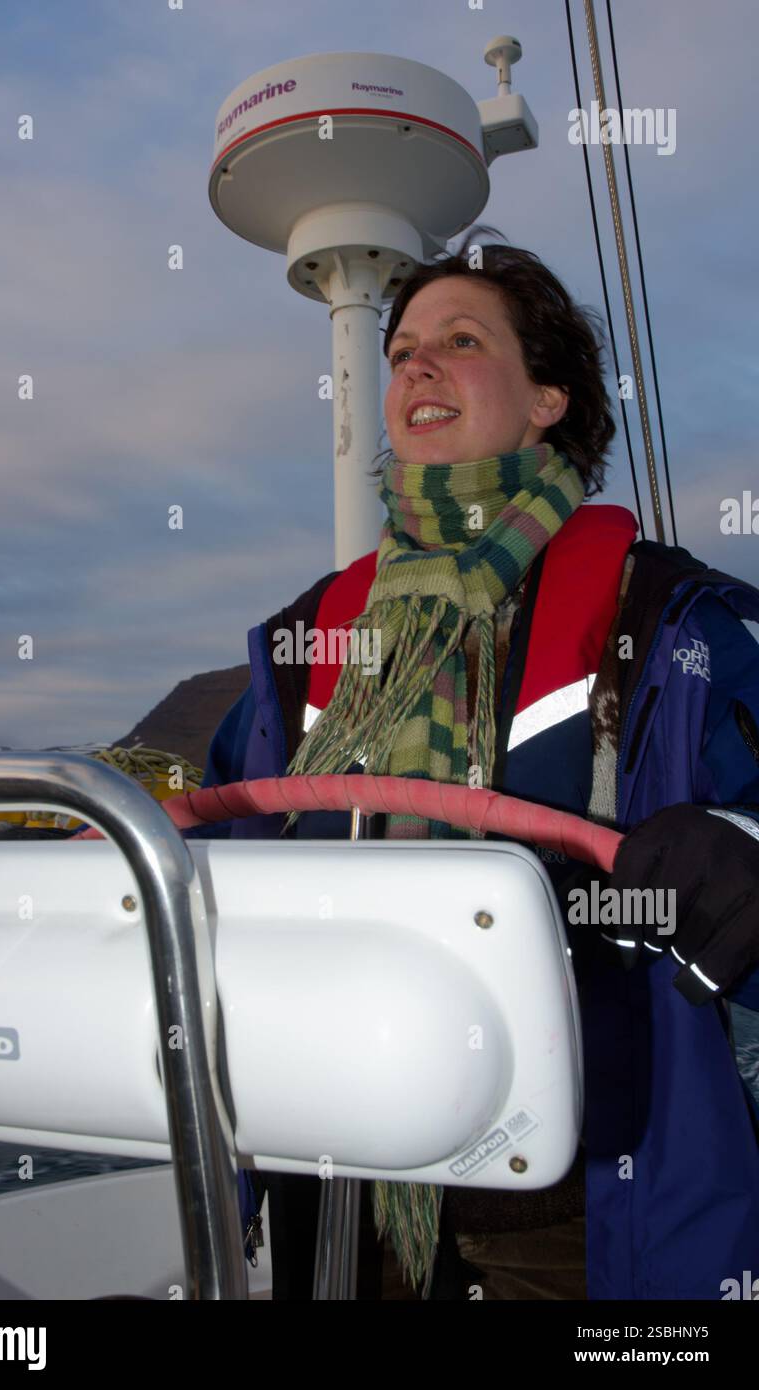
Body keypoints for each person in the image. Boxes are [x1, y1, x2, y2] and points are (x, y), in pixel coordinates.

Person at [183, 230, 759, 1300]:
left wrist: (738, 850)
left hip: (570, 1216)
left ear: (549, 399)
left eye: (460, 340)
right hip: (335, 1187)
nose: (415, 367)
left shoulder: (672, 619)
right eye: (401, 350)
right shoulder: (310, 635)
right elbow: (216, 851)